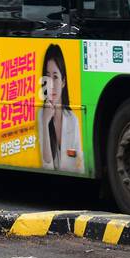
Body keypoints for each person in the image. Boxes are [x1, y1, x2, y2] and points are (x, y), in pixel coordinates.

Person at [38, 43, 83, 173]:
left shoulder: (72, 119)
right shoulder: (41, 115)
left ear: (63, 82)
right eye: (47, 76)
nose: (50, 84)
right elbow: (47, 165)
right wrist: (46, 124)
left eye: (55, 77)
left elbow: (79, 166)